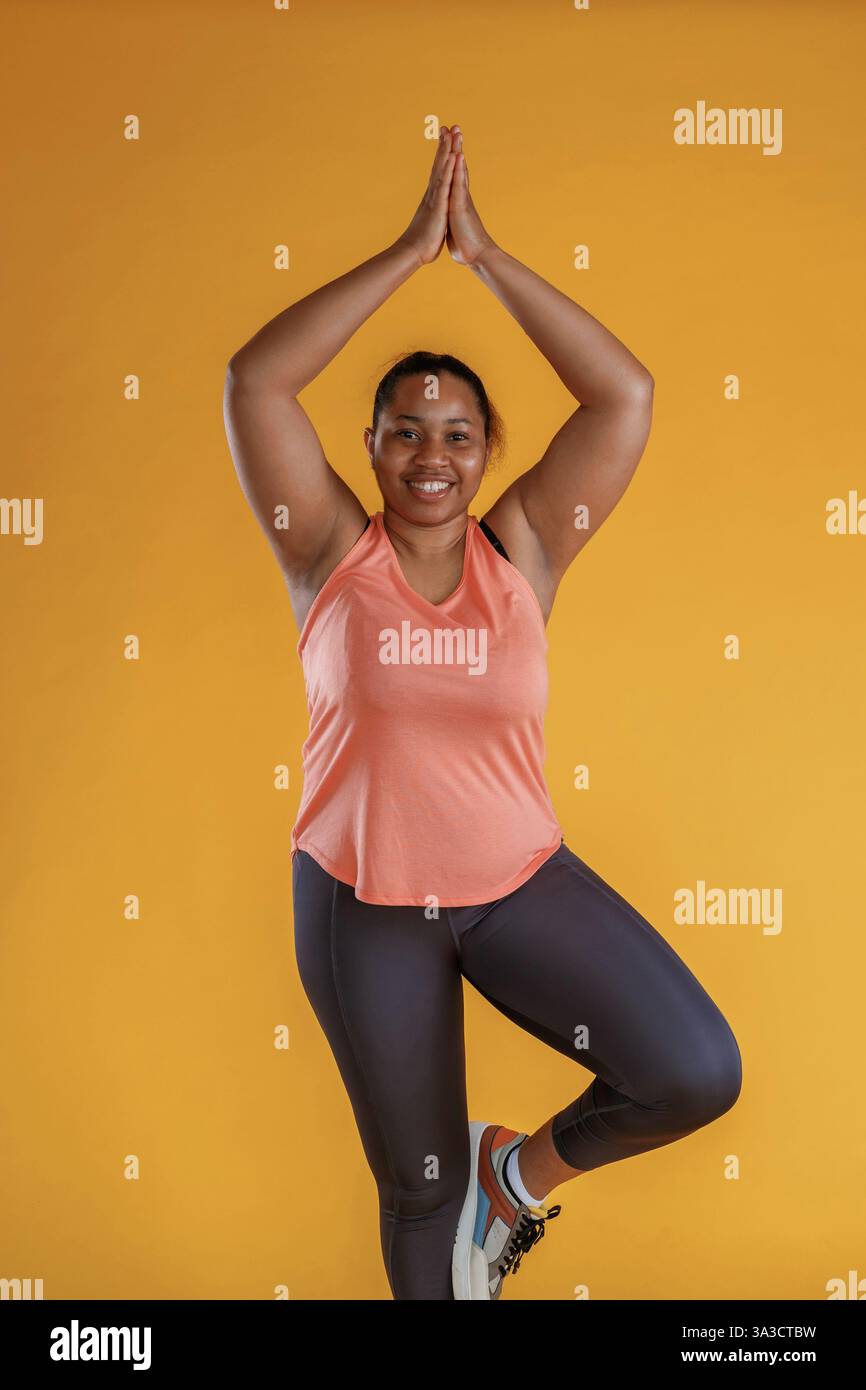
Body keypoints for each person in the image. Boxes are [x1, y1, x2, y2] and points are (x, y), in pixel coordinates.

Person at [223, 125, 742, 1301]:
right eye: (403, 429)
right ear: (367, 445)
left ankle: (508, 1180)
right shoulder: (325, 553)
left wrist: (485, 256)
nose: (429, 453)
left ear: (486, 451)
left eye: (456, 432)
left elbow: (624, 392)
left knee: (691, 1069)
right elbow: (253, 380)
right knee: (414, 1190)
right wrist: (410, 254)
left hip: (514, 886)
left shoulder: (525, 553)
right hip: (366, 908)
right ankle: (459, 1203)